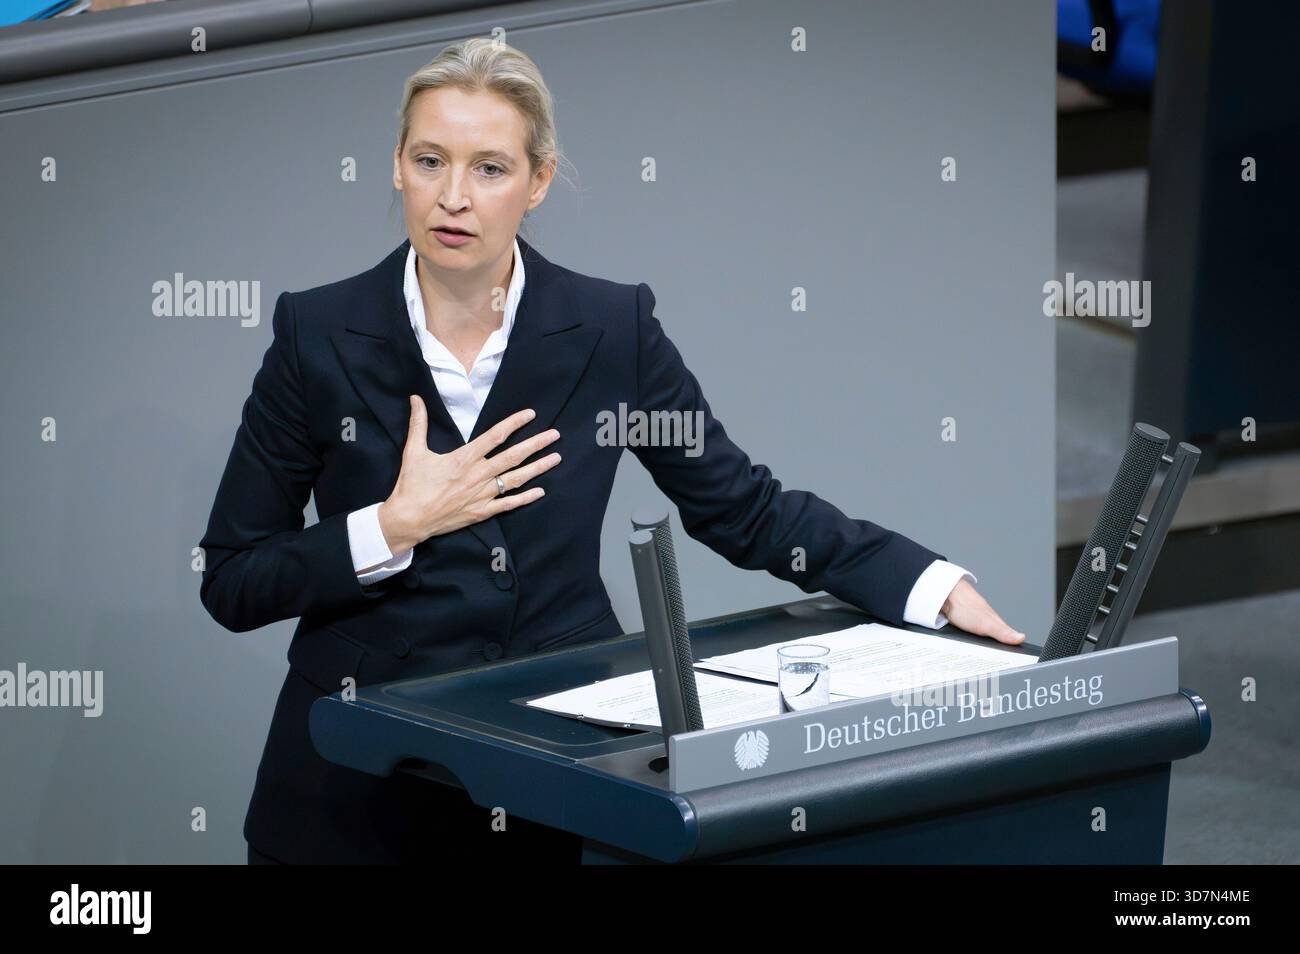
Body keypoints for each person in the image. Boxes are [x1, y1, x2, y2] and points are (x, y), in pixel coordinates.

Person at [199, 37, 1026, 865]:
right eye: (430, 160)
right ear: (396, 166)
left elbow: (742, 508)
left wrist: (925, 582)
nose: (453, 196)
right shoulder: (314, 333)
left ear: (539, 181)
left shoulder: (610, 328)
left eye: (490, 169)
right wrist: (390, 527)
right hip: (354, 789)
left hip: (555, 768)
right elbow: (232, 577)